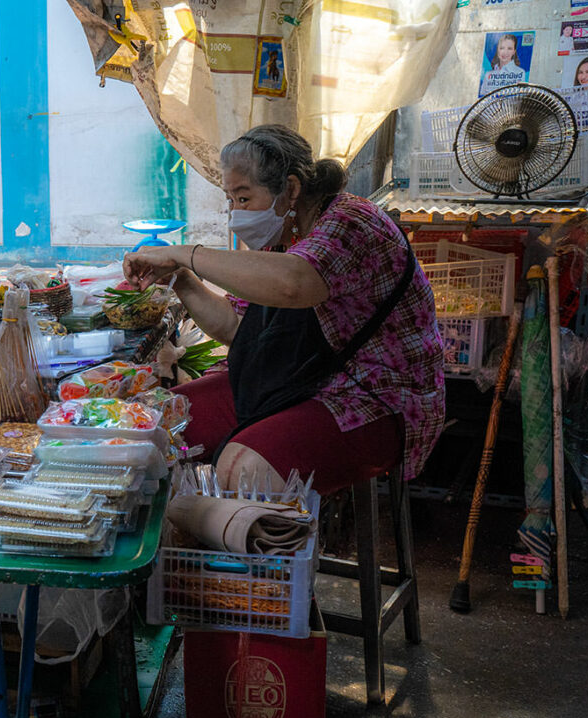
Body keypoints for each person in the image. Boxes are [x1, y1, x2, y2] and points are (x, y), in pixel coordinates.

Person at [124, 125, 445, 497]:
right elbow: (233, 325)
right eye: (230, 200)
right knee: (155, 424)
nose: (235, 214)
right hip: (295, 380)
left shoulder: (352, 222)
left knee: (245, 470)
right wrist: (181, 278)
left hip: (375, 397)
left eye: (244, 199)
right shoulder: (282, 238)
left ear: (291, 190)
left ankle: (254, 548)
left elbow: (294, 283)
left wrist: (185, 253)